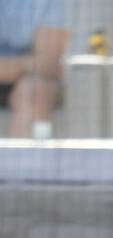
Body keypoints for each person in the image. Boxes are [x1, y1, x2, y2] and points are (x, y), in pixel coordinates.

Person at [0, 0, 69, 138]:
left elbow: (47, 64)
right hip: (26, 71)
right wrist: (28, 64)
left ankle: (21, 158)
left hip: (32, 81)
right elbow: (38, 63)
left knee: (34, 91)